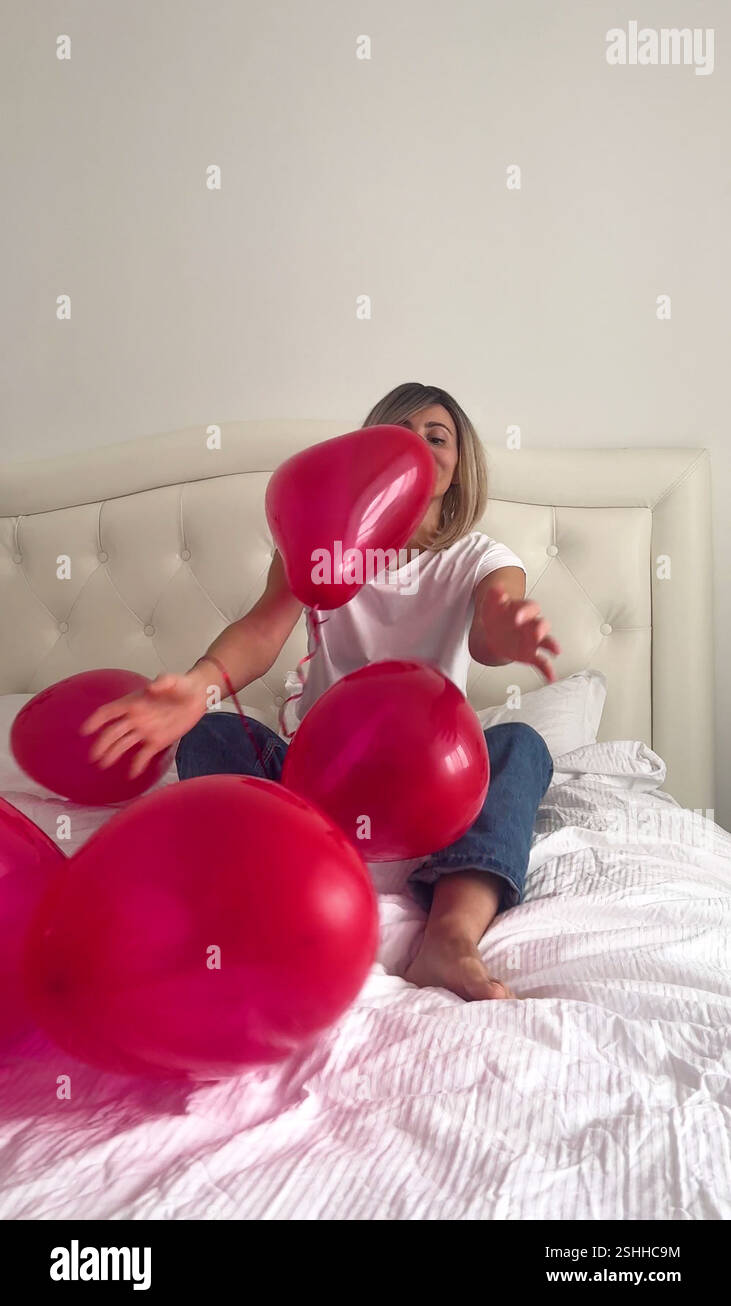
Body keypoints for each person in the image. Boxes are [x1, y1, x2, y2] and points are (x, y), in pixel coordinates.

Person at [81, 383, 559, 1002]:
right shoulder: (322, 548)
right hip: (320, 788)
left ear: (460, 465)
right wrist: (199, 686)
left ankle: (449, 938)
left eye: (435, 437)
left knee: (521, 743)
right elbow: (261, 630)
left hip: (440, 794)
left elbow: (492, 629)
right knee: (214, 732)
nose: (416, 448)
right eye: (398, 435)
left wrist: (509, 632)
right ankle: (278, 901)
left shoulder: (479, 557)